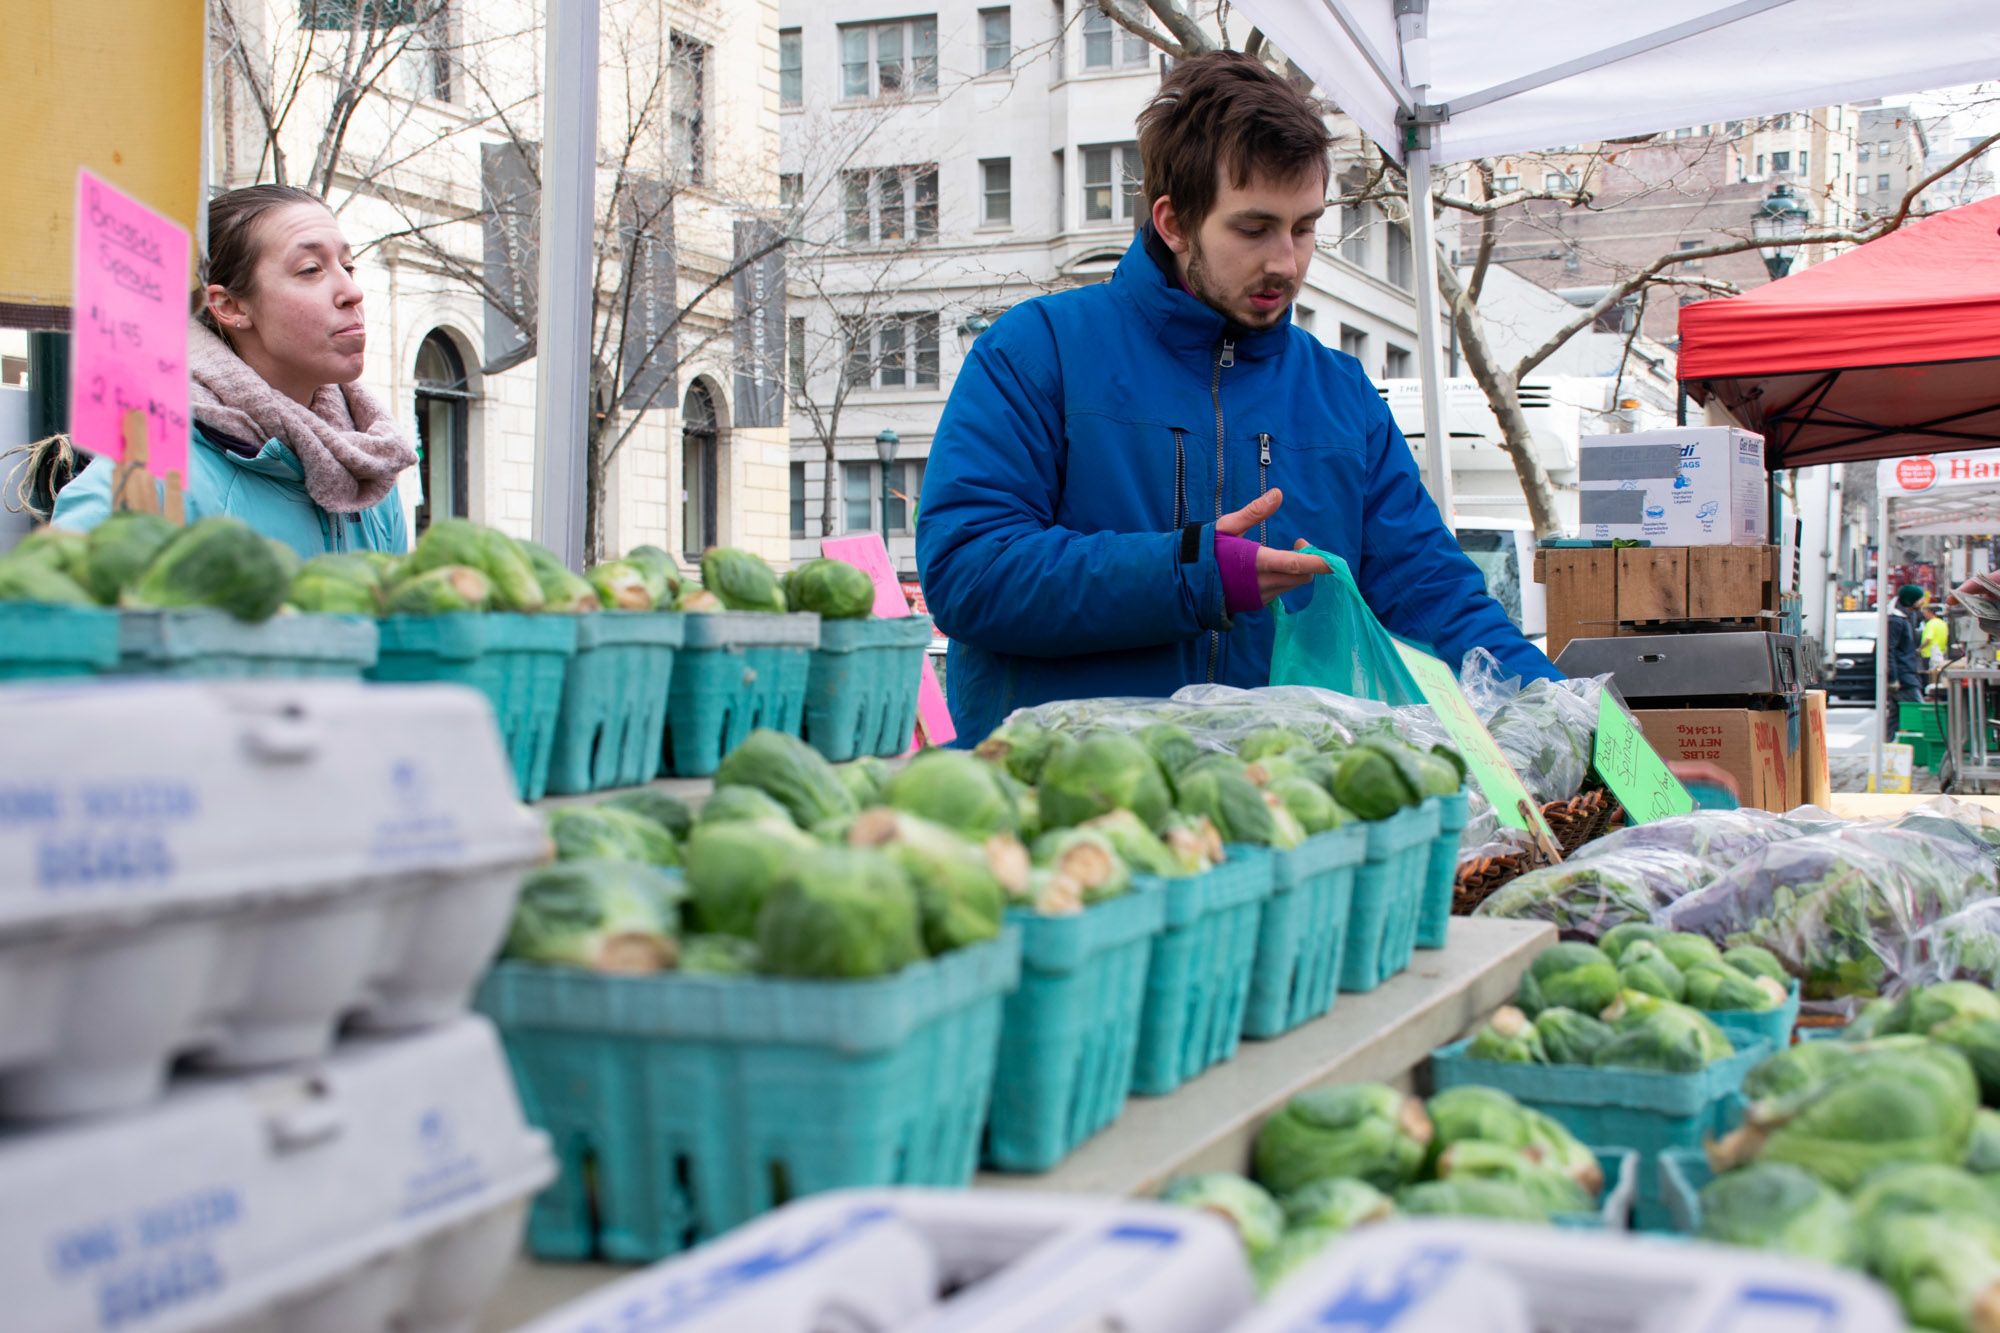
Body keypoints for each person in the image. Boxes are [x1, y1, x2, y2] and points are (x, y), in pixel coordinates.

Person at [915, 52, 1557, 743]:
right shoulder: (1037, 350)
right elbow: (968, 572)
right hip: (1059, 796)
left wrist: (1578, 725)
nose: (1286, 261)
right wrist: (1192, 573)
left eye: (1304, 228)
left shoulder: (1341, 395)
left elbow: (1439, 599)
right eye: (1254, 229)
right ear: (1173, 222)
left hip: (1277, 799)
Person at [53, 184, 415, 557]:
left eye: (348, 266)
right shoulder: (146, 484)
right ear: (229, 306)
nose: (352, 291)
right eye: (310, 269)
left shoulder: (368, 466)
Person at [1884, 584, 1927, 740]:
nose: (1923, 601)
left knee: (1894, 716)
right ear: (1911, 600)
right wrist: (1893, 677)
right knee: (1920, 712)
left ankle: (1887, 745)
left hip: (1904, 673)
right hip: (1903, 676)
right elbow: (1889, 649)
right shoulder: (1896, 621)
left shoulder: (1905, 617)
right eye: (1920, 598)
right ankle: (1920, 746)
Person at [1921, 603, 1951, 691]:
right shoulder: (1942, 623)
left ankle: (1931, 692)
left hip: (1929, 653)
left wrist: (1919, 648)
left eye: (1925, 612)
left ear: (1930, 612)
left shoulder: (1931, 624)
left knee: (1931, 676)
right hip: (1940, 653)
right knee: (1939, 675)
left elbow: (1928, 639)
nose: (1924, 615)